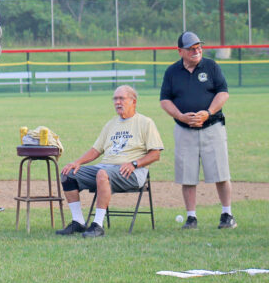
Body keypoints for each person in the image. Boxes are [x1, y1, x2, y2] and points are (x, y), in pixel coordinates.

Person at [56, 85, 163, 238]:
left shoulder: (145, 123)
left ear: (133, 101)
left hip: (132, 172)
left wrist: (134, 164)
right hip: (105, 169)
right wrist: (77, 162)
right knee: (68, 174)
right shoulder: (111, 124)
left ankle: (98, 225)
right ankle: (78, 222)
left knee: (102, 173)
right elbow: (96, 150)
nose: (117, 102)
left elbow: (155, 154)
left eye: (121, 98)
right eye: (115, 99)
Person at [160, 31, 236, 230]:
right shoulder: (172, 72)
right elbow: (165, 100)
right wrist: (180, 116)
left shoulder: (211, 66)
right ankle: (191, 217)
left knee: (221, 172)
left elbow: (223, 92)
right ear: (180, 51)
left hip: (212, 127)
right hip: (184, 129)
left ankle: (227, 214)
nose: (197, 51)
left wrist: (208, 112)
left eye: (198, 47)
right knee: (188, 175)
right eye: (191, 48)